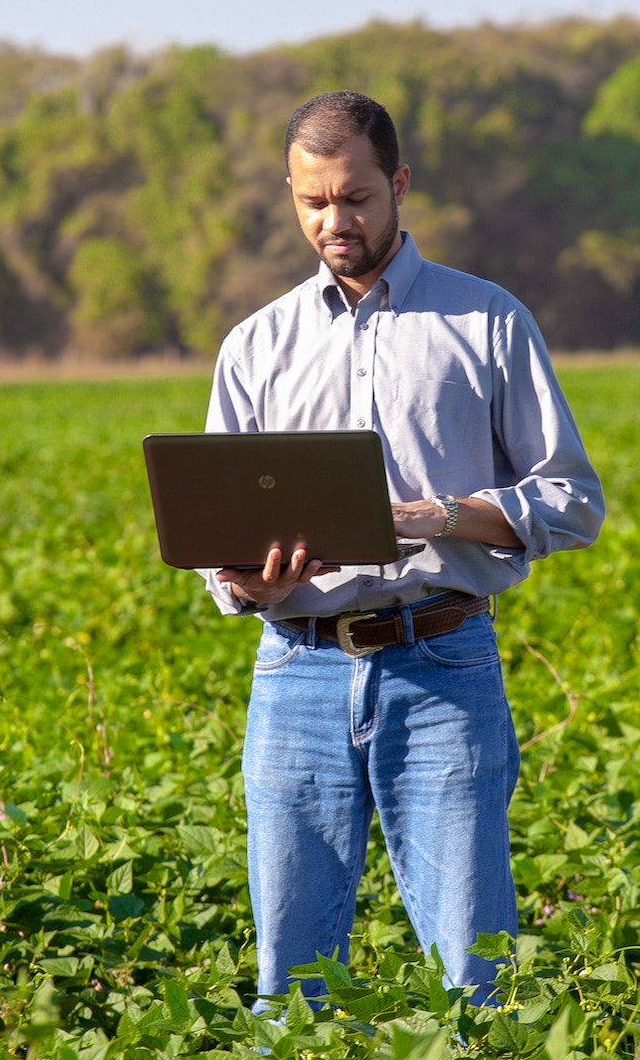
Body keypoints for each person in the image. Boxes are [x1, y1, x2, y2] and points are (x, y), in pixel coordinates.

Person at [204, 90, 603, 1006]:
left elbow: (572, 502)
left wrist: (442, 516)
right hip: (294, 671)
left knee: (473, 975)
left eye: (355, 198)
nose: (334, 221)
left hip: (443, 661)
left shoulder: (488, 322)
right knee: (287, 982)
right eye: (313, 202)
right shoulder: (253, 346)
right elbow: (219, 537)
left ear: (400, 186)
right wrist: (250, 583)